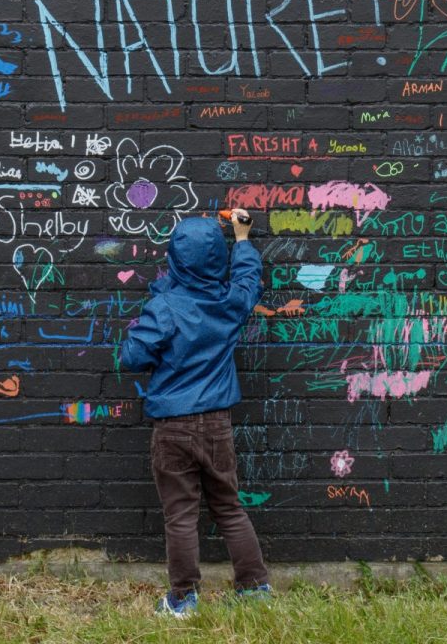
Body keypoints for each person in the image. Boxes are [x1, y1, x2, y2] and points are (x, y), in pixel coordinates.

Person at [118, 207, 271, 617]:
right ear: (217, 259)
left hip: (172, 428)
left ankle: (183, 599)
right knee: (229, 506)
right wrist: (241, 240)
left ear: (174, 259)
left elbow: (131, 356)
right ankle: (254, 588)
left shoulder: (165, 307)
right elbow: (246, 280)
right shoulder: (230, 303)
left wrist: (160, 301)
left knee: (180, 515)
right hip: (217, 424)